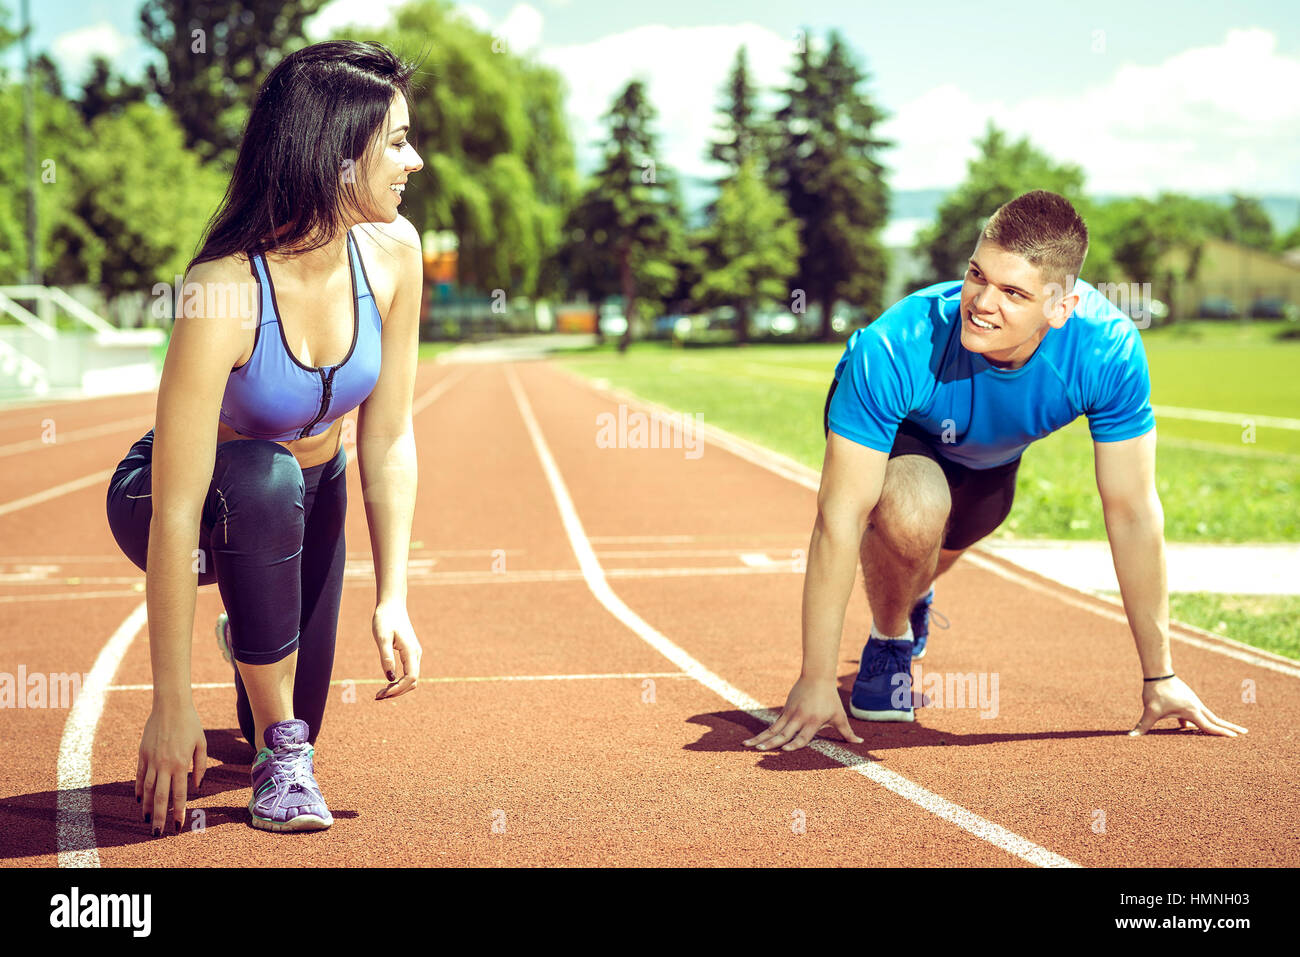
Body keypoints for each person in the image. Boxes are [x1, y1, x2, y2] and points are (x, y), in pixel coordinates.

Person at [743, 189, 1247, 752]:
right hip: (906, 440)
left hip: (990, 464)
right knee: (914, 514)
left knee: (937, 542)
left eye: (1012, 292)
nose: (982, 302)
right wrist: (815, 678)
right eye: (977, 275)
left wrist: (1161, 676)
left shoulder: (1107, 352)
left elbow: (1130, 510)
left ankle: (913, 587)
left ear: (1060, 308)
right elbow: (840, 516)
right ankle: (890, 637)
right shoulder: (894, 345)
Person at [105, 40, 427, 834]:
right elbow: (179, 511)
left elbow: (386, 438)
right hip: (178, 497)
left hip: (313, 494)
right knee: (263, 478)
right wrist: (169, 704)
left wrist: (393, 598)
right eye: (395, 142)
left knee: (291, 705)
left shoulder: (395, 255)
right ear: (336, 156)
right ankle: (281, 756)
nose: (414, 160)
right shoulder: (223, 287)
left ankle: (255, 638)